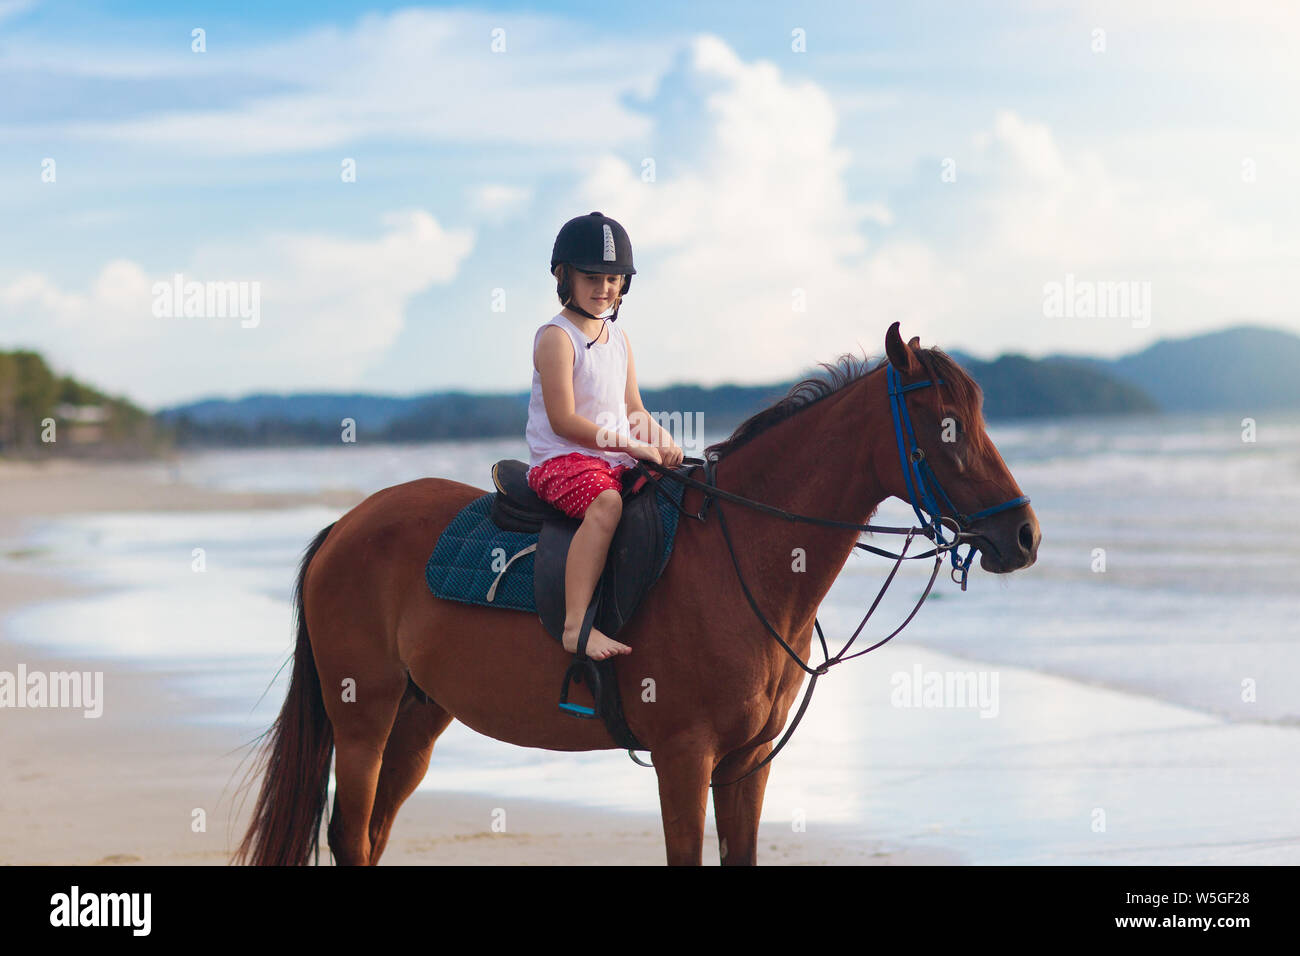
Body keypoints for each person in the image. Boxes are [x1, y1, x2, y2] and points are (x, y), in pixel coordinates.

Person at [525, 212, 684, 661]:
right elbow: (563, 420)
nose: (605, 288)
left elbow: (634, 410)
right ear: (565, 277)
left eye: (614, 279)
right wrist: (629, 444)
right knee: (608, 503)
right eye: (592, 277)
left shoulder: (619, 338)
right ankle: (576, 625)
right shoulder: (557, 338)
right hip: (562, 460)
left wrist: (661, 438)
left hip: (613, 457)